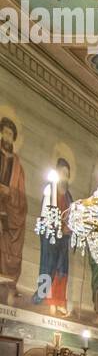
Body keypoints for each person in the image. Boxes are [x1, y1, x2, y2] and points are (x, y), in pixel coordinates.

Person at [32, 157, 72, 316]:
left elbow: (71, 217)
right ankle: (44, 298)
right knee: (48, 267)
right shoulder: (50, 190)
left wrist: (68, 227)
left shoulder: (69, 197)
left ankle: (58, 301)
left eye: (67, 174)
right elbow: (45, 214)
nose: (65, 176)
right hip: (50, 237)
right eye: (63, 172)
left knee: (62, 271)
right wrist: (53, 225)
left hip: (64, 239)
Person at [0, 116, 26, 301]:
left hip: (9, 211)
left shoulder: (17, 165)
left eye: (11, 134)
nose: (7, 137)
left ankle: (8, 283)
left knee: (9, 248)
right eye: (5, 133)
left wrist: (10, 192)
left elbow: (22, 197)